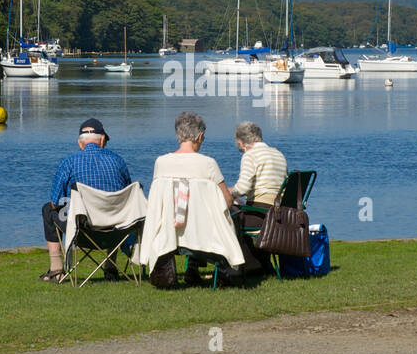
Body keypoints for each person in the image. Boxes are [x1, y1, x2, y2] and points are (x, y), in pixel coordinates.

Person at [151, 111, 241, 282]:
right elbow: (227, 201)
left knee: (192, 213)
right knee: (211, 215)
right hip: (203, 235)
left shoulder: (161, 162)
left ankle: (191, 268)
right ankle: (226, 270)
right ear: (199, 137)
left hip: (169, 233)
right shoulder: (208, 164)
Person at [41, 118, 132, 283]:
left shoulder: (69, 162)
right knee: (115, 209)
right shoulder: (119, 162)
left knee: (48, 209)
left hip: (82, 231)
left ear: (80, 143)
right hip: (115, 231)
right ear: (102, 140)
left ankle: (56, 270)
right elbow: (128, 198)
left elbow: (54, 202)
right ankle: (111, 267)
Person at [230, 122, 288, 208]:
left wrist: (229, 192)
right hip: (281, 208)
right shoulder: (279, 154)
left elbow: (243, 188)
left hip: (260, 209)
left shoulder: (250, 155)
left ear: (241, 144)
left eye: (240, 150)